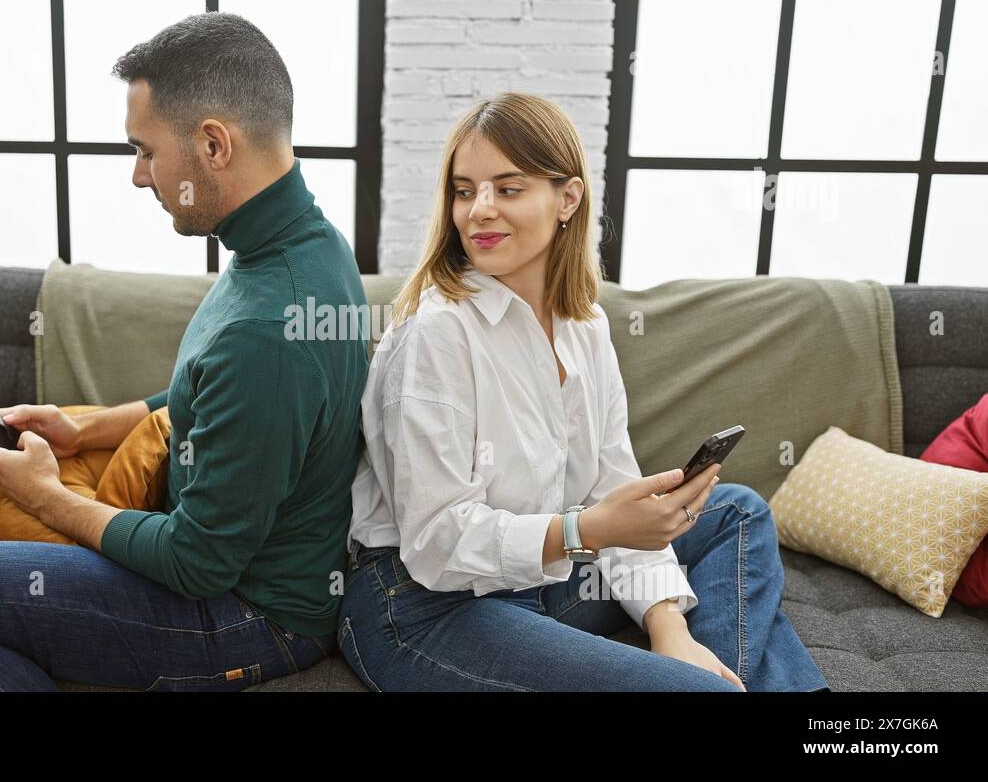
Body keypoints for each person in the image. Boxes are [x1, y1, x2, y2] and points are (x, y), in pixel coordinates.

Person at [0, 13, 369, 691]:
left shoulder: (271, 327)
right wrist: (84, 427)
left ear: (214, 144)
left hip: (246, 614)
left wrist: (51, 499)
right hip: (209, 559)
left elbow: (198, 563)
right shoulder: (296, 243)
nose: (137, 176)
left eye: (146, 150)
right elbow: (205, 394)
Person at [337, 92, 830, 692]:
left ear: (567, 199)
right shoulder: (436, 332)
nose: (478, 211)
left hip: (542, 577)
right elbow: (437, 542)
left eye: (508, 188)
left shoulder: (585, 326)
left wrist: (669, 627)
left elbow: (612, 487)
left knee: (737, 513)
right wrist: (587, 530)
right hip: (421, 606)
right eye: (465, 190)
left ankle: (715, 677)